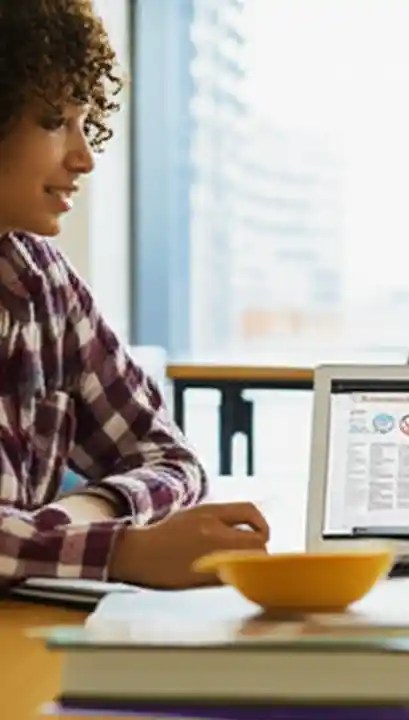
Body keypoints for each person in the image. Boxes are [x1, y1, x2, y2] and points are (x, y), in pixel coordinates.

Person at [0, 0, 268, 590]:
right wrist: (120, 552)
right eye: (52, 121)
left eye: (82, 121)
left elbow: (172, 458)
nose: (84, 156)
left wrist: (82, 515)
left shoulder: (45, 282)